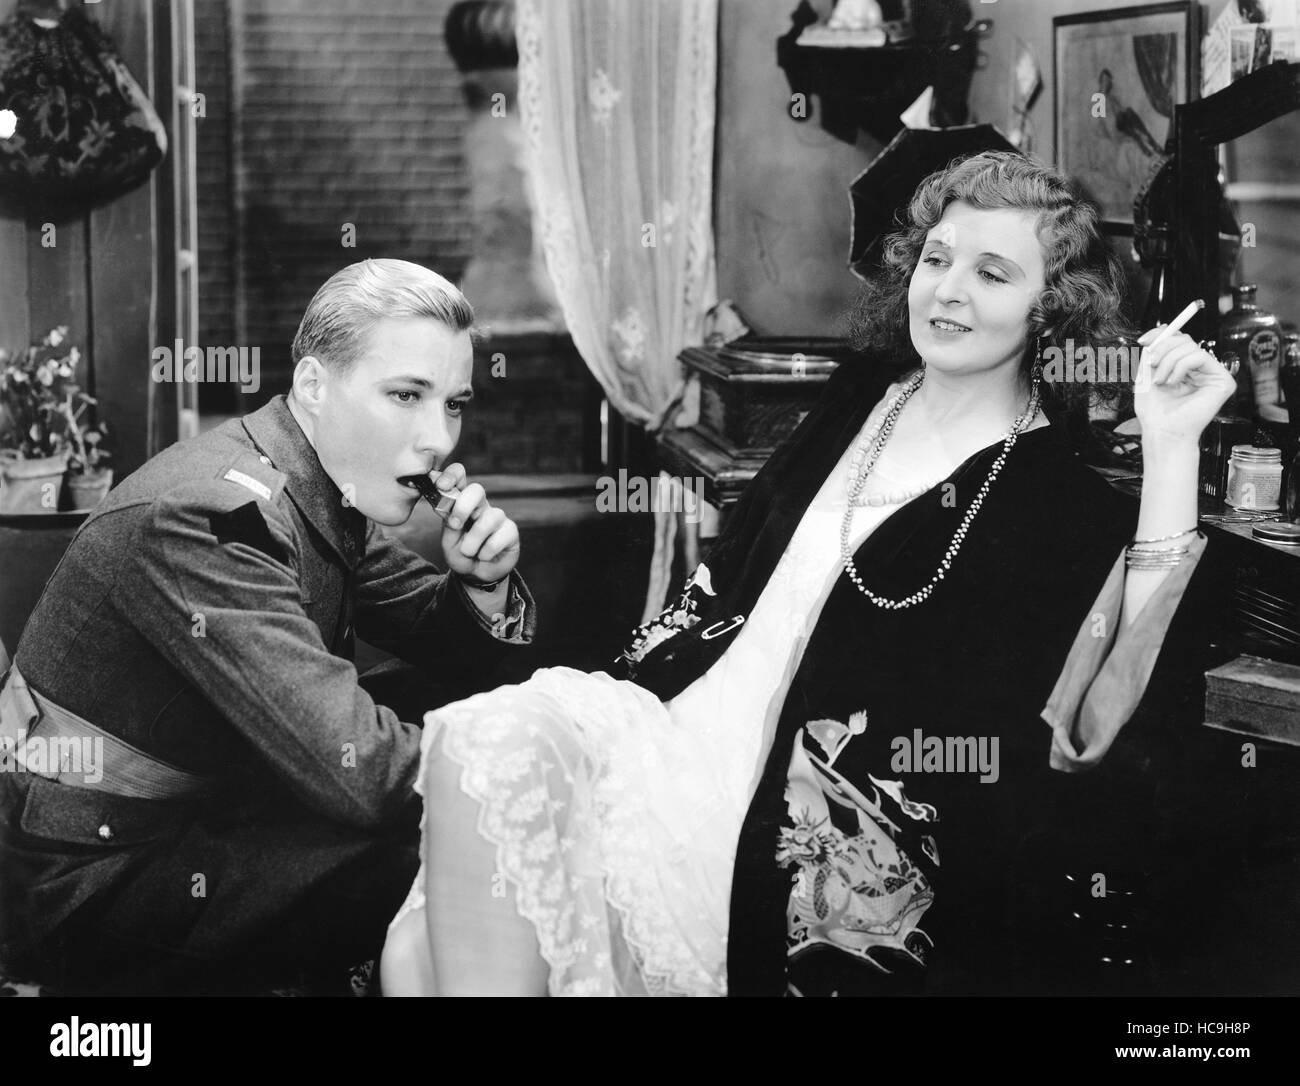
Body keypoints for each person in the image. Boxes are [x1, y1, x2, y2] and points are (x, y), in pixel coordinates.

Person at [379, 152, 1239, 997]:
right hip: (684, 720)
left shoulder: (1052, 492)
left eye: (992, 273)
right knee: (477, 746)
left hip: (804, 806)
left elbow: (1124, 691)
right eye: (936, 259)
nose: (947, 289)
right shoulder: (861, 396)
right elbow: (728, 583)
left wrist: (1172, 440)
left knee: (427, 948)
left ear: (1047, 310)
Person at [0, 258, 535, 994]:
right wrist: (537, 783)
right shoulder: (214, 517)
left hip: (202, 810)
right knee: (466, 850)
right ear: (314, 386)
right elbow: (364, 775)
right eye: (406, 395)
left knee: (444, 738)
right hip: (96, 884)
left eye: (453, 403)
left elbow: (427, 629)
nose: (439, 438)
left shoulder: (313, 479)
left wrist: (483, 584)